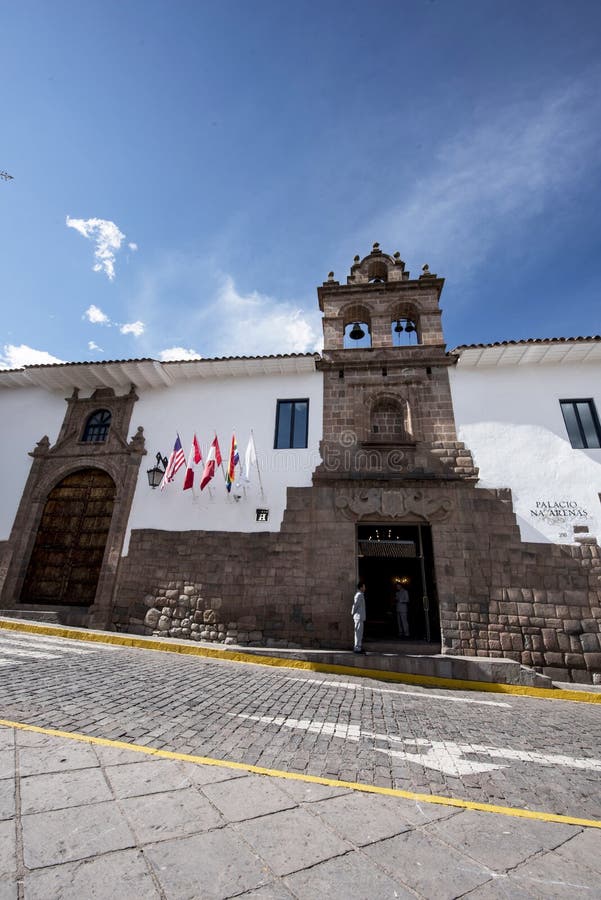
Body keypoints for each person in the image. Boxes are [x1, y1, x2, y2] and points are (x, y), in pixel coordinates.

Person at [351, 581, 366, 653]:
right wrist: (352, 613)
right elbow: (355, 605)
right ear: (361, 587)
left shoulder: (361, 594)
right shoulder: (359, 595)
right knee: (358, 633)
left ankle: (359, 647)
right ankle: (357, 648)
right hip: (358, 617)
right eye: (364, 586)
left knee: (360, 633)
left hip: (360, 616)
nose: (365, 588)